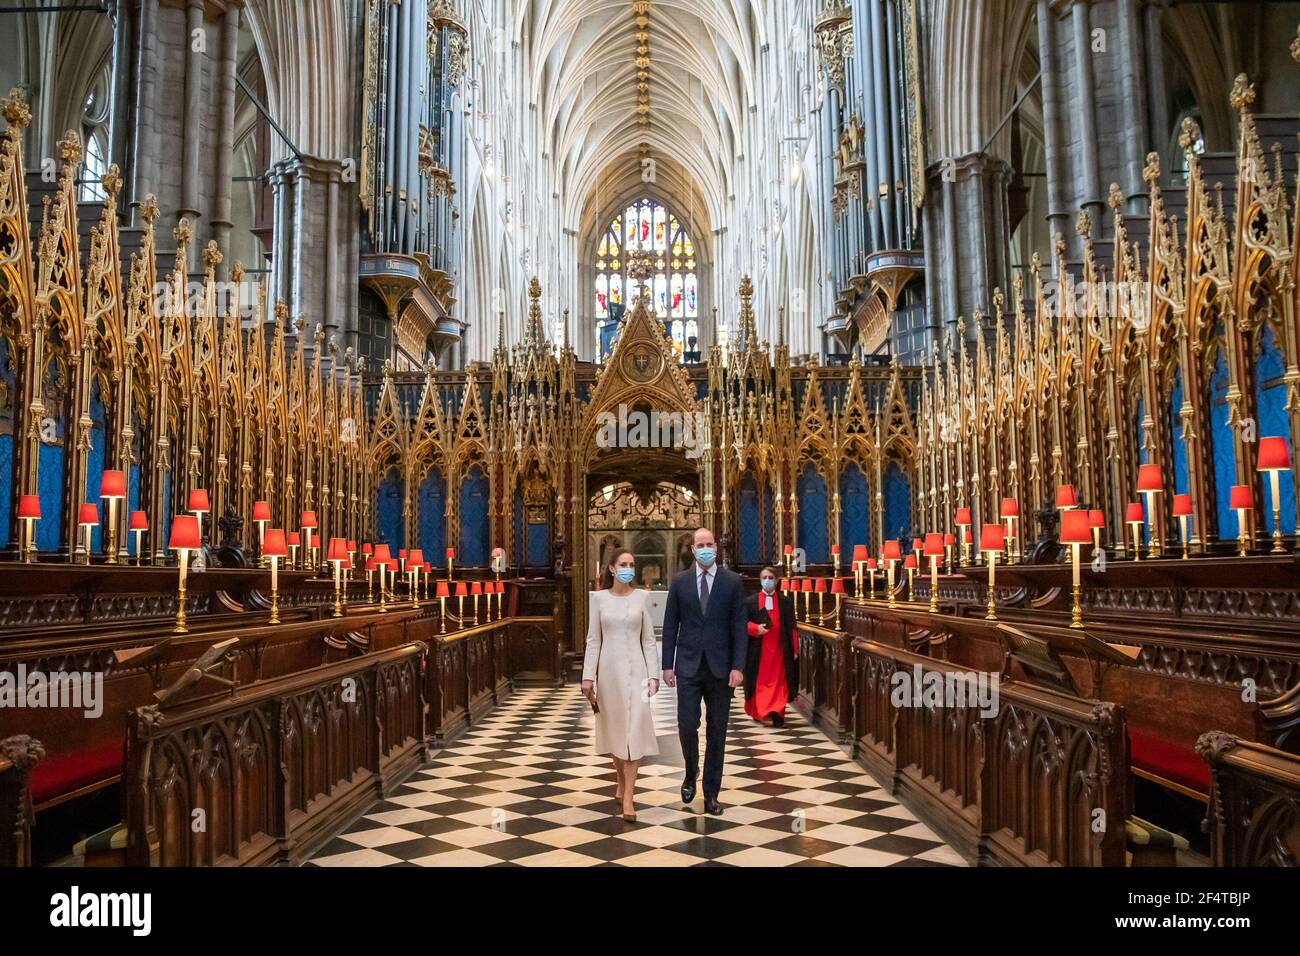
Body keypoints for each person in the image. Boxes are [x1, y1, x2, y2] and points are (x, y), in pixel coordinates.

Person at [661, 527, 747, 815]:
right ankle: (690, 770)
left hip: (721, 668)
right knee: (687, 724)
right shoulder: (680, 582)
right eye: (701, 544)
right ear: (693, 549)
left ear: (716, 548)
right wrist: (666, 665)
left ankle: (711, 793)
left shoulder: (732, 582)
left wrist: (738, 666)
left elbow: (738, 627)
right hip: (687, 665)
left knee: (717, 732)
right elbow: (671, 624)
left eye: (711, 543)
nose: (707, 548)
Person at [581, 549, 659, 822]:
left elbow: (648, 639)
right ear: (612, 569)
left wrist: (654, 674)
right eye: (623, 564)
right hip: (609, 671)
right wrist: (587, 676)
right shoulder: (599, 599)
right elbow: (594, 639)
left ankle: (629, 797)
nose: (628, 568)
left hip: (637, 670)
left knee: (635, 728)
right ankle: (620, 777)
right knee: (615, 730)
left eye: (632, 564)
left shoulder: (643, 597)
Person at [744, 566, 798, 726]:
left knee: (780, 682)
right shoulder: (750, 602)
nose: (767, 580)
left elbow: (792, 627)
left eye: (770, 577)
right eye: (764, 577)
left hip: (780, 650)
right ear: (760, 580)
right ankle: (760, 711)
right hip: (758, 651)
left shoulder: (786, 602)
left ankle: (777, 713)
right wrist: (755, 629)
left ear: (777, 581)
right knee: (760, 682)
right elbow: (741, 623)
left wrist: (794, 649)